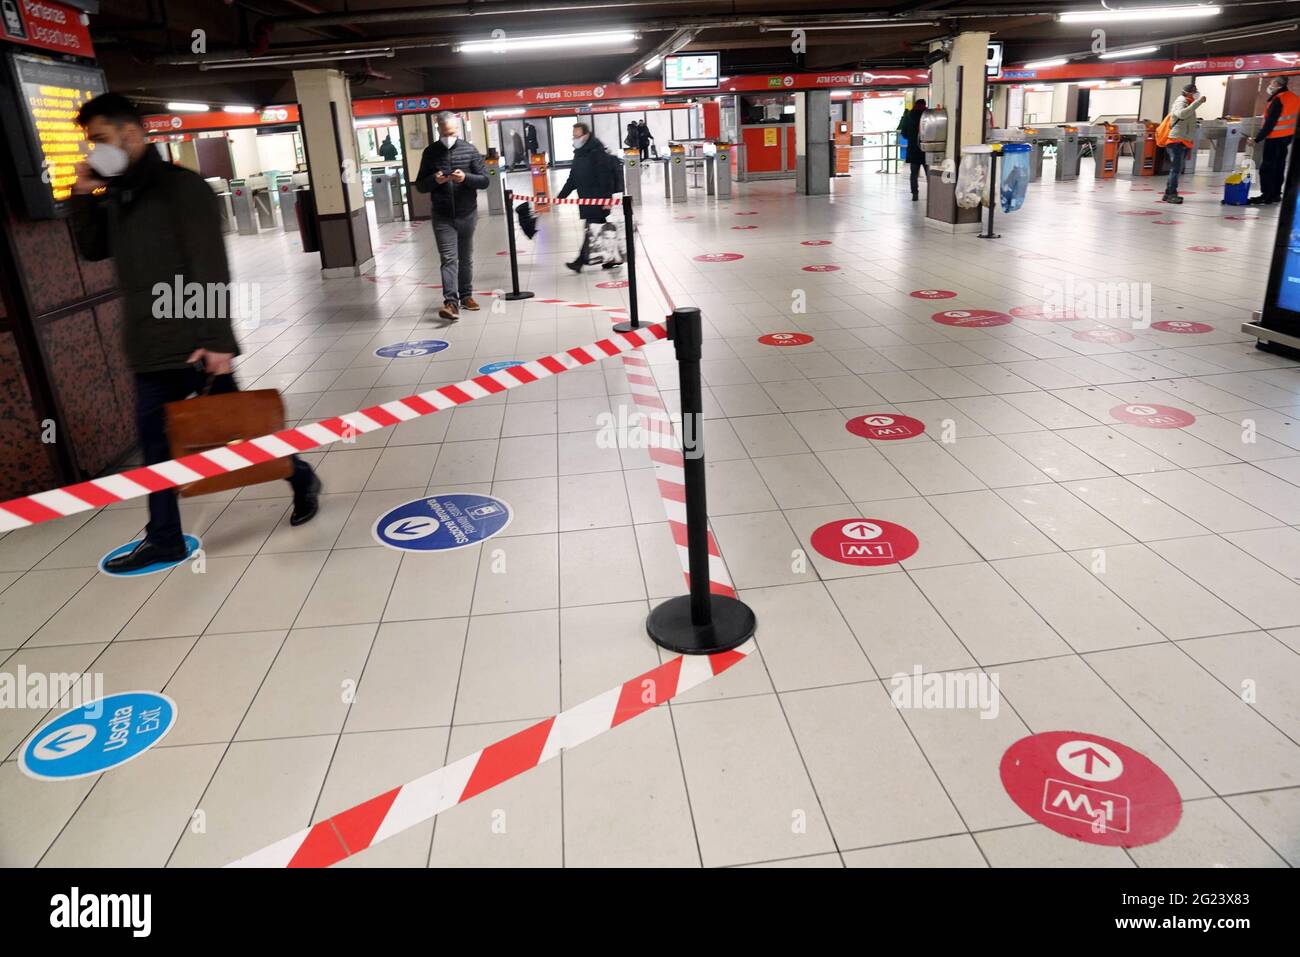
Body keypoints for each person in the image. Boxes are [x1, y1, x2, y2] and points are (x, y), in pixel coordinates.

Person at [69, 92, 320, 573]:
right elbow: (94, 249)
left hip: (192, 343)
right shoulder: (121, 193)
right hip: (148, 343)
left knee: (235, 433)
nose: (95, 149)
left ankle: (297, 476)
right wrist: (83, 195)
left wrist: (218, 341)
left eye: (100, 139)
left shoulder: (181, 189)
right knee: (169, 443)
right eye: (91, 142)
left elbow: (209, 267)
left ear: (133, 133)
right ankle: (166, 535)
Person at [414, 112, 490, 321]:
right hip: (442, 214)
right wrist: (434, 181)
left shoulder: (470, 150)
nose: (450, 137)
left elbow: (484, 180)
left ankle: (466, 296)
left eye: (453, 132)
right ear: (438, 129)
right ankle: (450, 302)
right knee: (448, 258)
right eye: (446, 133)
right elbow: (420, 185)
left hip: (467, 213)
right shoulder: (430, 153)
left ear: (458, 129)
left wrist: (465, 178)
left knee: (466, 257)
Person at [557, 122, 623, 272]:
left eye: (577, 136)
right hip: (587, 200)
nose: (574, 139)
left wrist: (607, 200)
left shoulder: (597, 154)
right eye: (573, 136)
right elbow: (572, 179)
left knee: (592, 230)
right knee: (599, 230)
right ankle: (610, 259)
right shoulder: (579, 154)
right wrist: (561, 196)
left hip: (598, 200)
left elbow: (606, 179)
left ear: (586, 136)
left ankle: (580, 261)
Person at [1246, 75, 1298, 206]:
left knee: (1267, 168)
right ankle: (1275, 194)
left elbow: (1270, 123)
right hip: (1287, 138)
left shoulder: (1278, 99)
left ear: (1276, 84)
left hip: (1274, 138)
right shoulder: (1294, 98)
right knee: (1279, 167)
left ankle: (1266, 196)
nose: (1269, 86)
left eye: (1271, 83)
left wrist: (1256, 139)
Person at [1162, 82, 1205, 204]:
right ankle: (1171, 194)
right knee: (1175, 170)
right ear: (1188, 92)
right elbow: (1182, 114)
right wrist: (1198, 102)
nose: (1196, 93)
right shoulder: (1181, 102)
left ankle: (1168, 193)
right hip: (1176, 141)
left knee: (1176, 169)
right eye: (1194, 91)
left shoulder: (1188, 102)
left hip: (1182, 141)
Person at [898, 98, 928, 202]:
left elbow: (904, 134)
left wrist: (912, 137)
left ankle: (915, 194)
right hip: (925, 149)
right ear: (924, 105)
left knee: (914, 174)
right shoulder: (927, 116)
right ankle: (932, 193)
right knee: (929, 173)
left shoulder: (908, 117)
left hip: (913, 149)